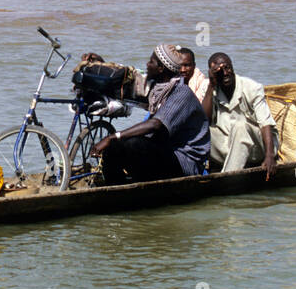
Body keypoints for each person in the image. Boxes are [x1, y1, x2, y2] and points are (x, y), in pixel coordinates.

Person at [91, 44, 209, 184]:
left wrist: (113, 136)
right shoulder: (158, 88)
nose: (147, 64)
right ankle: (116, 188)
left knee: (133, 144)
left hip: (184, 160)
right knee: (114, 147)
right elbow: (126, 81)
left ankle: (141, 186)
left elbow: (155, 124)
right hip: (164, 149)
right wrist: (100, 64)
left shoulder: (182, 92)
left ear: (161, 68)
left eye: (151, 62)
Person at [202, 53, 278, 180]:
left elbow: (265, 123)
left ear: (232, 68)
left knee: (240, 125)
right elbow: (204, 122)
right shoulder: (210, 88)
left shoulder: (251, 87)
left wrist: (270, 156)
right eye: (219, 72)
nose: (225, 73)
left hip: (256, 148)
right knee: (199, 131)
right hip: (228, 145)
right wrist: (211, 86)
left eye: (227, 68)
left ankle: (227, 180)